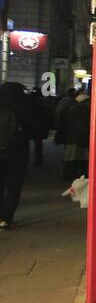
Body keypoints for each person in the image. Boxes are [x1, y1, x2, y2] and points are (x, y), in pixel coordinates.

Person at [0, 83, 41, 229]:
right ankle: (6, 217)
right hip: (17, 152)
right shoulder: (23, 108)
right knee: (13, 186)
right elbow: (34, 130)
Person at [58, 88, 92, 181]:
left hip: (71, 137)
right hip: (79, 137)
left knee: (71, 157)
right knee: (83, 157)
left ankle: (69, 175)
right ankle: (83, 174)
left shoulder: (69, 109)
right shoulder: (84, 110)